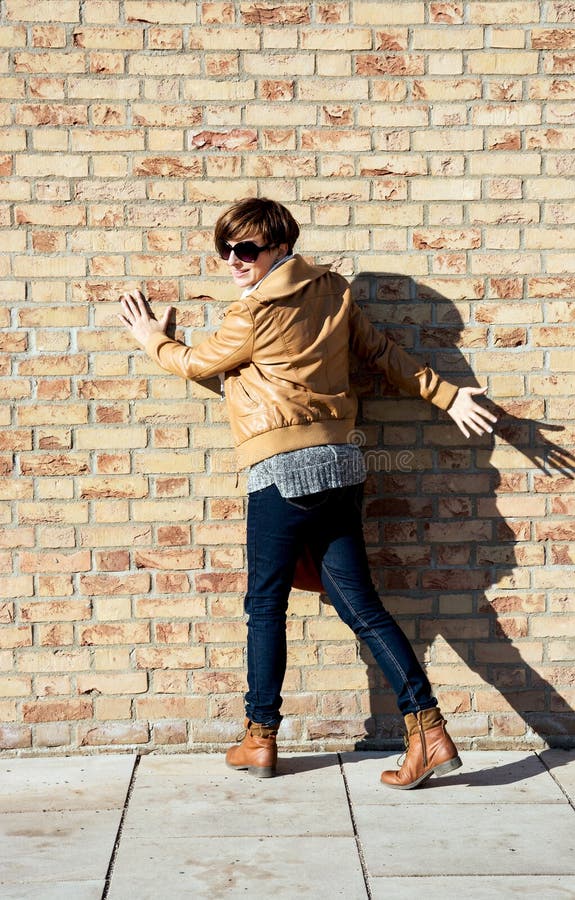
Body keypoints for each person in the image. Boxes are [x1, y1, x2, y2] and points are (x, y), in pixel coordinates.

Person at [118, 197, 497, 789]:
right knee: (361, 606)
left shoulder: (254, 311)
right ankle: (428, 729)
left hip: (280, 470)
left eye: (246, 250)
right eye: (226, 250)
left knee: (265, 605)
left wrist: (152, 340)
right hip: (341, 466)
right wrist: (448, 395)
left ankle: (260, 736)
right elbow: (382, 354)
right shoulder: (336, 290)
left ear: (279, 247)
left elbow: (199, 364)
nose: (234, 261)